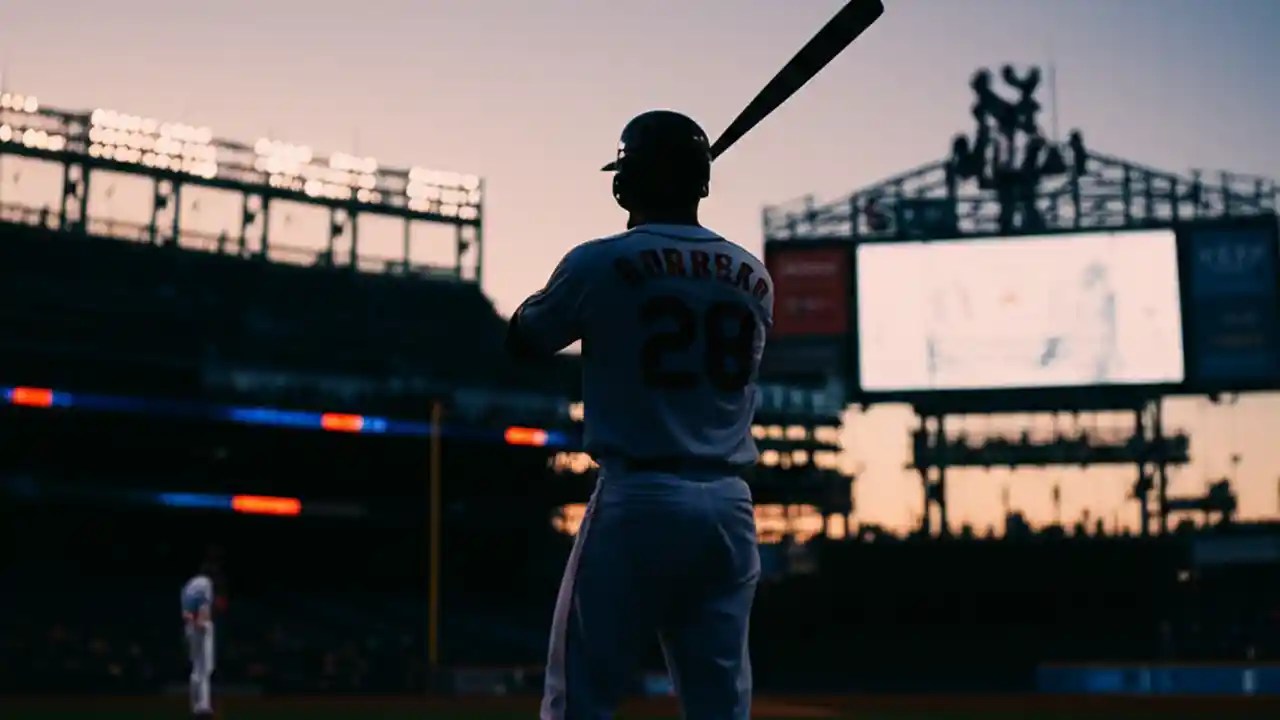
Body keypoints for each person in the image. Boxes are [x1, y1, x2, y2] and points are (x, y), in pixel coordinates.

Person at [507, 110, 772, 720]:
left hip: (639, 496)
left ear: (624, 184)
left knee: (578, 698)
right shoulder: (754, 277)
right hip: (730, 509)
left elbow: (524, 341)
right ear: (702, 182)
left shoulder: (598, 263)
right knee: (720, 708)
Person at [180, 561, 218, 718]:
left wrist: (192, 623)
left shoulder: (188, 586)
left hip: (189, 627)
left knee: (196, 668)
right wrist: (201, 622)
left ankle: (195, 704)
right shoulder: (206, 583)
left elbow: (186, 612)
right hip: (200, 626)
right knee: (205, 668)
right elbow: (204, 602)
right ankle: (203, 705)